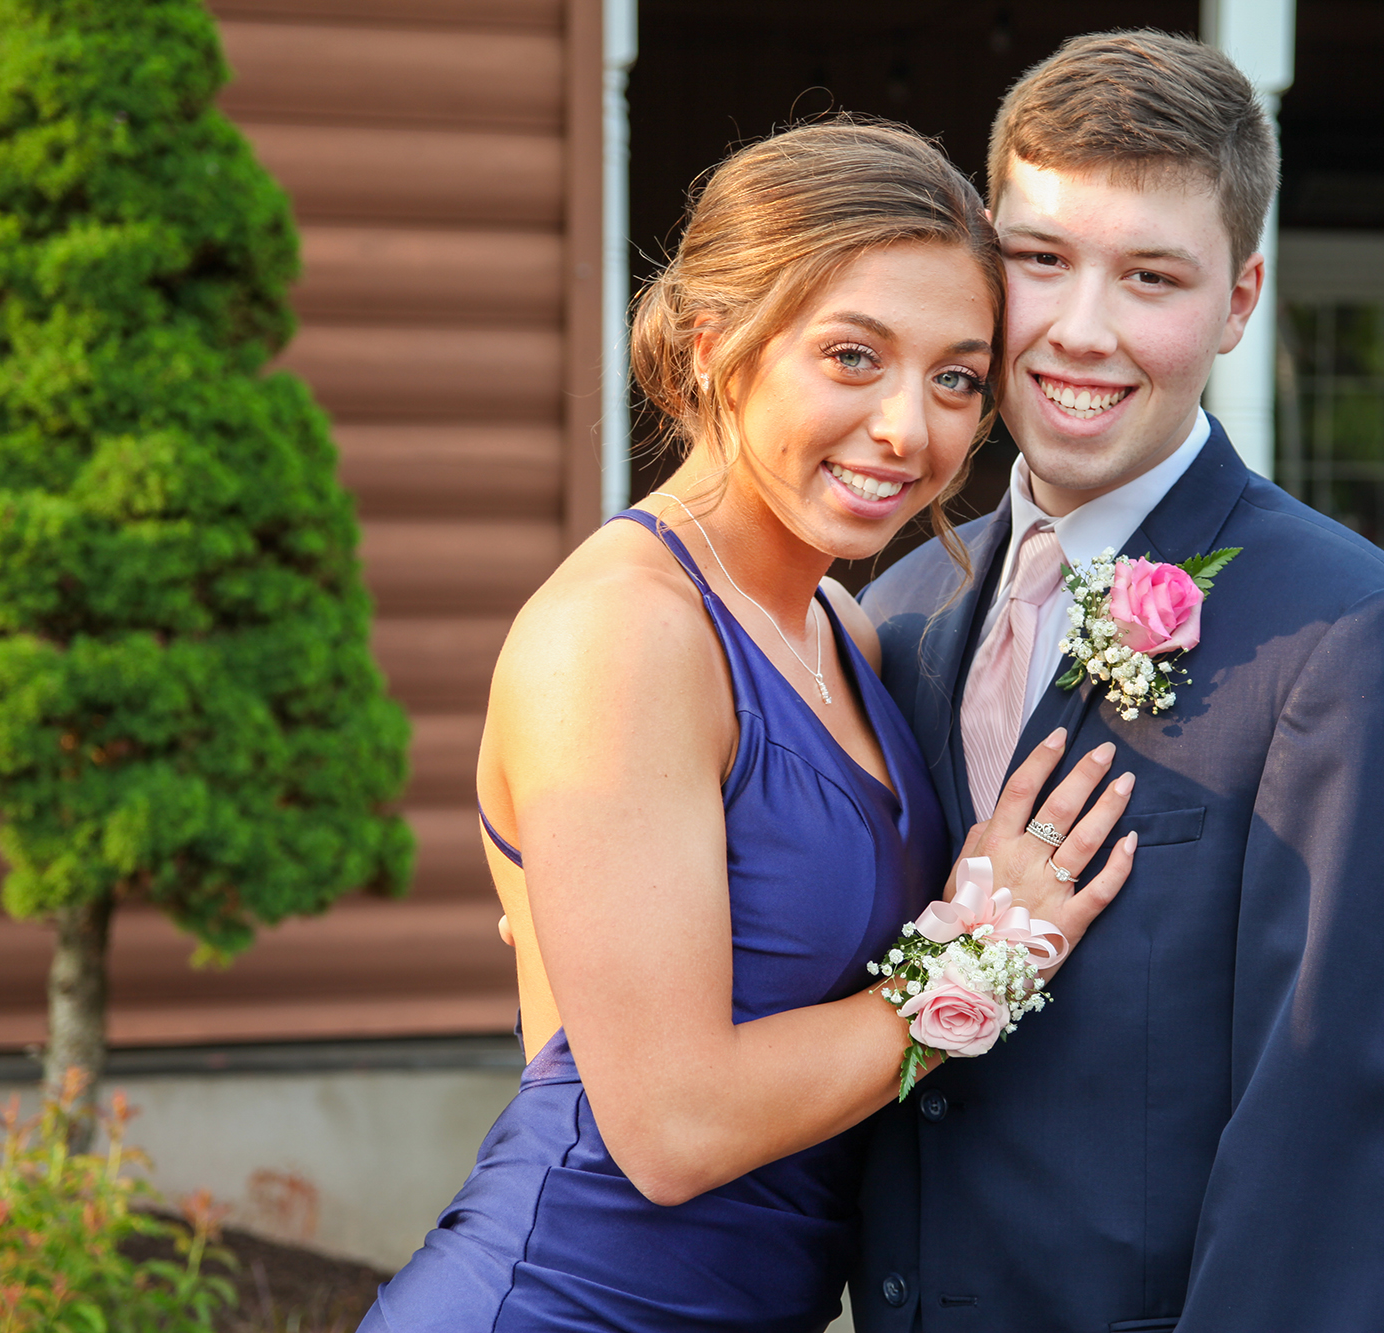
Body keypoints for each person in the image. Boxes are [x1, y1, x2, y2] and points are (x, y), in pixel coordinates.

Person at [361, 120, 1138, 1333]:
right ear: (717, 343)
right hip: (557, 1303)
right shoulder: (624, 633)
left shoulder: (848, 629)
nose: (905, 428)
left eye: (954, 378)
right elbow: (672, 1130)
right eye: (850, 355)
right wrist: (989, 954)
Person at [852, 32, 1384, 1333]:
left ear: (1241, 297)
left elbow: (1349, 1144)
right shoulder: (902, 613)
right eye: (1041, 260)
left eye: (1150, 276)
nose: (1081, 332)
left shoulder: (1358, 641)